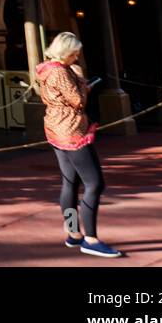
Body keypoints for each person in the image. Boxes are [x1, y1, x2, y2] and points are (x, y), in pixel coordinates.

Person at [35, 32, 122, 258]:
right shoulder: (62, 71)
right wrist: (83, 82)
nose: (77, 57)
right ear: (66, 52)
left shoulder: (46, 69)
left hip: (55, 126)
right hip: (71, 130)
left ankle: (74, 233)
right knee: (94, 183)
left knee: (70, 182)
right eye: (75, 53)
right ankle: (90, 239)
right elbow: (78, 100)